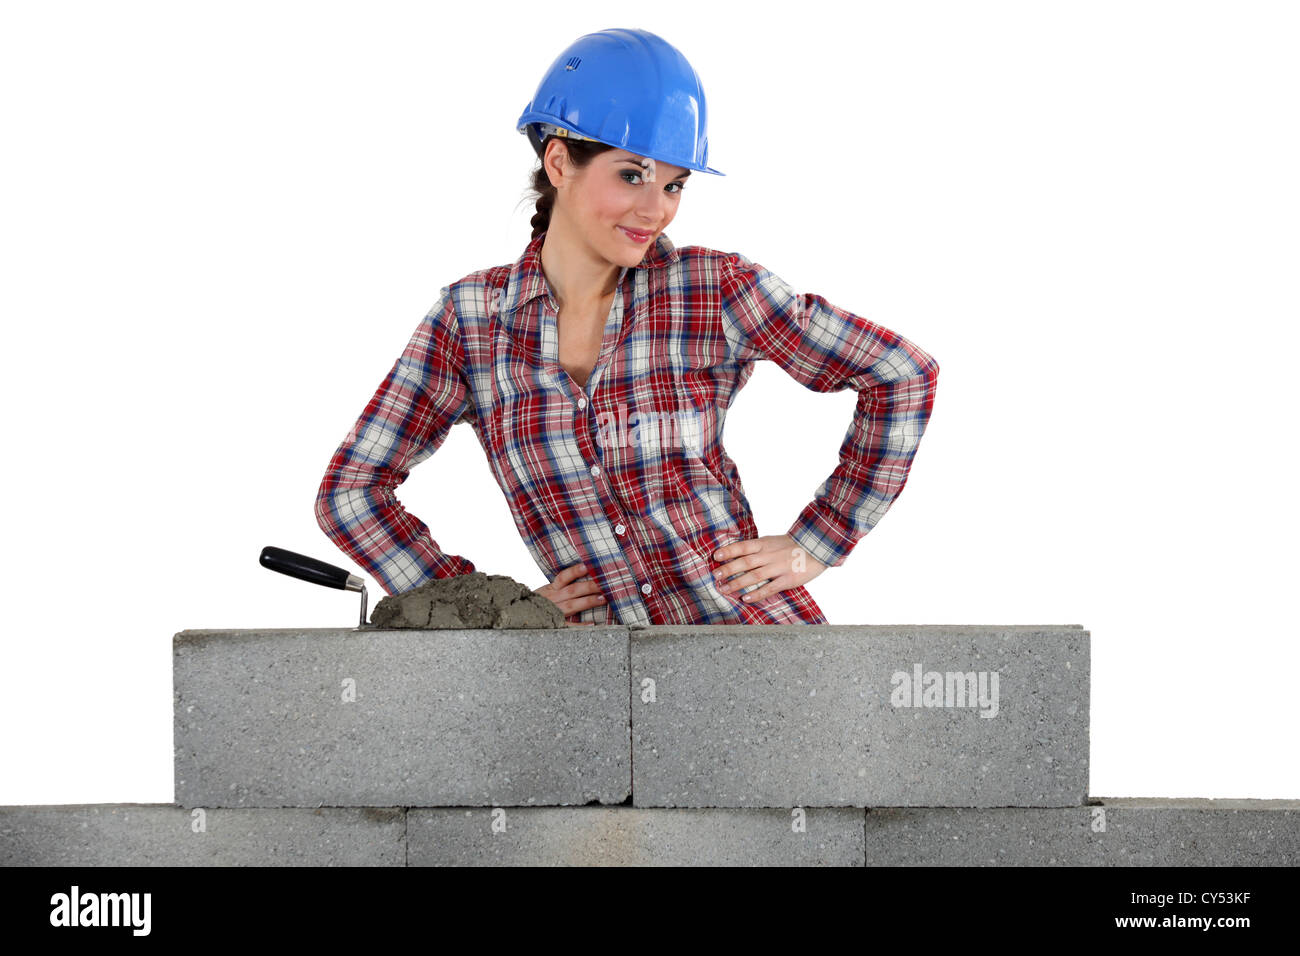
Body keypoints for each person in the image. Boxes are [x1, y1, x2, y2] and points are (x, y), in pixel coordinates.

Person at [314, 27, 940, 627]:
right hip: (597, 683)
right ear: (558, 161)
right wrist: (488, 612)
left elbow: (901, 373)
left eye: (674, 184)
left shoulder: (712, 289)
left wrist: (817, 544)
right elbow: (352, 493)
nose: (656, 208)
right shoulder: (470, 321)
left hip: (755, 651)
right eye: (633, 175)